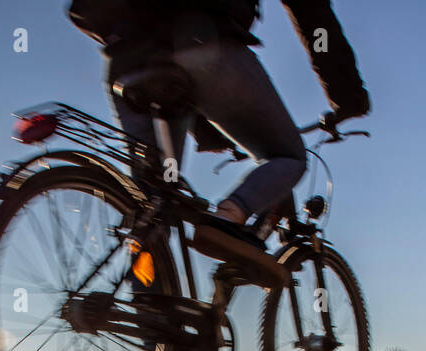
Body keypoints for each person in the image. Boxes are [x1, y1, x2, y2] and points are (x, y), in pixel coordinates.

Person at [68, 0, 370, 265]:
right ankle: (228, 216)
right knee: (287, 155)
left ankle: (154, 314)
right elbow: (313, 14)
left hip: (126, 62)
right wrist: (347, 97)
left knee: (148, 204)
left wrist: (208, 132)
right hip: (203, 42)